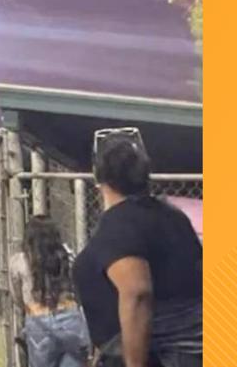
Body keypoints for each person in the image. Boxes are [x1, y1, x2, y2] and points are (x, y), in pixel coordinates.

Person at [72, 135, 202, 367]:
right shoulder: (172, 216)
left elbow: (137, 292)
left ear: (98, 177)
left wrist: (134, 363)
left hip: (161, 356)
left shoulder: (120, 223)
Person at [10, 215, 90, 367]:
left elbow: (17, 297)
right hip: (69, 315)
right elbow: (78, 285)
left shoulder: (20, 261)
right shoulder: (67, 256)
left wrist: (28, 308)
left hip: (38, 319)